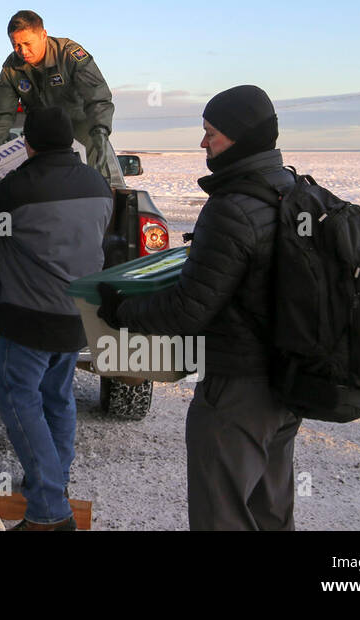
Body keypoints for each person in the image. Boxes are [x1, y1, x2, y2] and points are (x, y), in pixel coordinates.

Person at [96, 85, 301, 531]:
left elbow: (189, 309)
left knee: (221, 514)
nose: (203, 143)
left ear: (242, 137)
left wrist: (122, 311)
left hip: (238, 389)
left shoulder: (233, 208)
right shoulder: (290, 188)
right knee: (270, 510)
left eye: (212, 133)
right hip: (288, 381)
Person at [0, 106, 112, 531]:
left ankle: (49, 510)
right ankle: (55, 484)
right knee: (57, 398)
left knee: (16, 398)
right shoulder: (96, 182)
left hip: (30, 314)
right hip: (77, 313)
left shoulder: (20, 185)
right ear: (69, 142)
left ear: (27, 143)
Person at [0, 10, 117, 184]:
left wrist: (100, 130)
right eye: (16, 45)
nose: (22, 51)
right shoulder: (12, 68)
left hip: (82, 138)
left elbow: (97, 96)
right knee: (45, 189)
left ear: (43, 35)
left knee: (86, 185)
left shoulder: (69, 54)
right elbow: (0, 114)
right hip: (41, 145)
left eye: (28, 43)